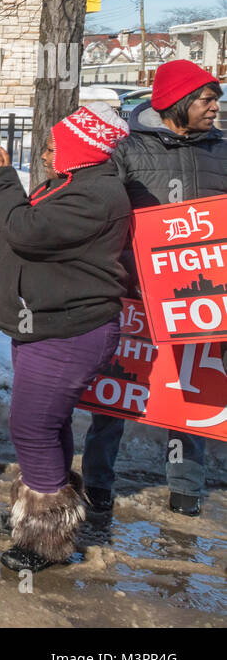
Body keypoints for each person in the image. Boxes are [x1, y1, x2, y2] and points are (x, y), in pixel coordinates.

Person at [0, 104, 132, 573]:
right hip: (40, 322)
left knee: (31, 426)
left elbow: (29, 231)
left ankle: (45, 540)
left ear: (78, 149)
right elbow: (9, 236)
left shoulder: (99, 194)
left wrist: (2, 179)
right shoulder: (67, 185)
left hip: (70, 330)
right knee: (50, 424)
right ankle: (33, 515)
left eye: (52, 147)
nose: (45, 155)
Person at [82, 60, 226, 517]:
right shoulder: (126, 150)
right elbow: (102, 213)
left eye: (216, 100)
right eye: (207, 100)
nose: (215, 109)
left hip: (199, 296)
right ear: (178, 102)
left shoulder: (222, 149)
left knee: (193, 391)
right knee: (118, 390)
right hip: (134, 292)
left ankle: (186, 490)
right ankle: (97, 484)